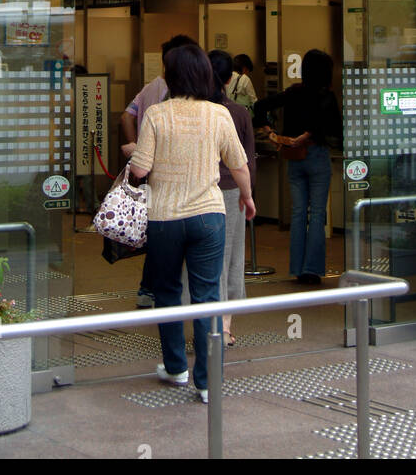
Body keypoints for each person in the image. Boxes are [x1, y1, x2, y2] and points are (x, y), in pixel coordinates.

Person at [126, 43, 255, 402]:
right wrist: (246, 198)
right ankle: (208, 381)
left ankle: (176, 368)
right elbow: (238, 165)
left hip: (165, 218)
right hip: (209, 216)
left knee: (167, 292)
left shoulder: (156, 114)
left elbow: (140, 168)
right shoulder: (219, 115)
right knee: (207, 296)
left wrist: (134, 155)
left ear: (171, 76)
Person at [121, 33, 197, 308]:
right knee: (167, 232)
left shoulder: (151, 85)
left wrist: (135, 145)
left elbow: (126, 115)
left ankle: (147, 289)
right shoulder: (175, 93)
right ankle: (160, 291)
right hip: (167, 172)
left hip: (146, 168)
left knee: (155, 229)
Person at [254, 48, 342, 284]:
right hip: (316, 155)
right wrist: (308, 134)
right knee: (317, 214)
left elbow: (260, 106)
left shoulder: (293, 92)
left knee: (298, 213)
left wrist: (271, 134)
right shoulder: (326, 95)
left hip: (294, 158)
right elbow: (333, 126)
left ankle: (296, 268)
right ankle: (311, 270)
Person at [208, 49, 256, 346]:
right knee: (232, 256)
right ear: (229, 79)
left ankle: (210, 322)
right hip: (233, 190)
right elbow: (248, 159)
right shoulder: (238, 113)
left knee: (208, 258)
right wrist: (250, 194)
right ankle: (225, 325)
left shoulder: (197, 109)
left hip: (202, 190)